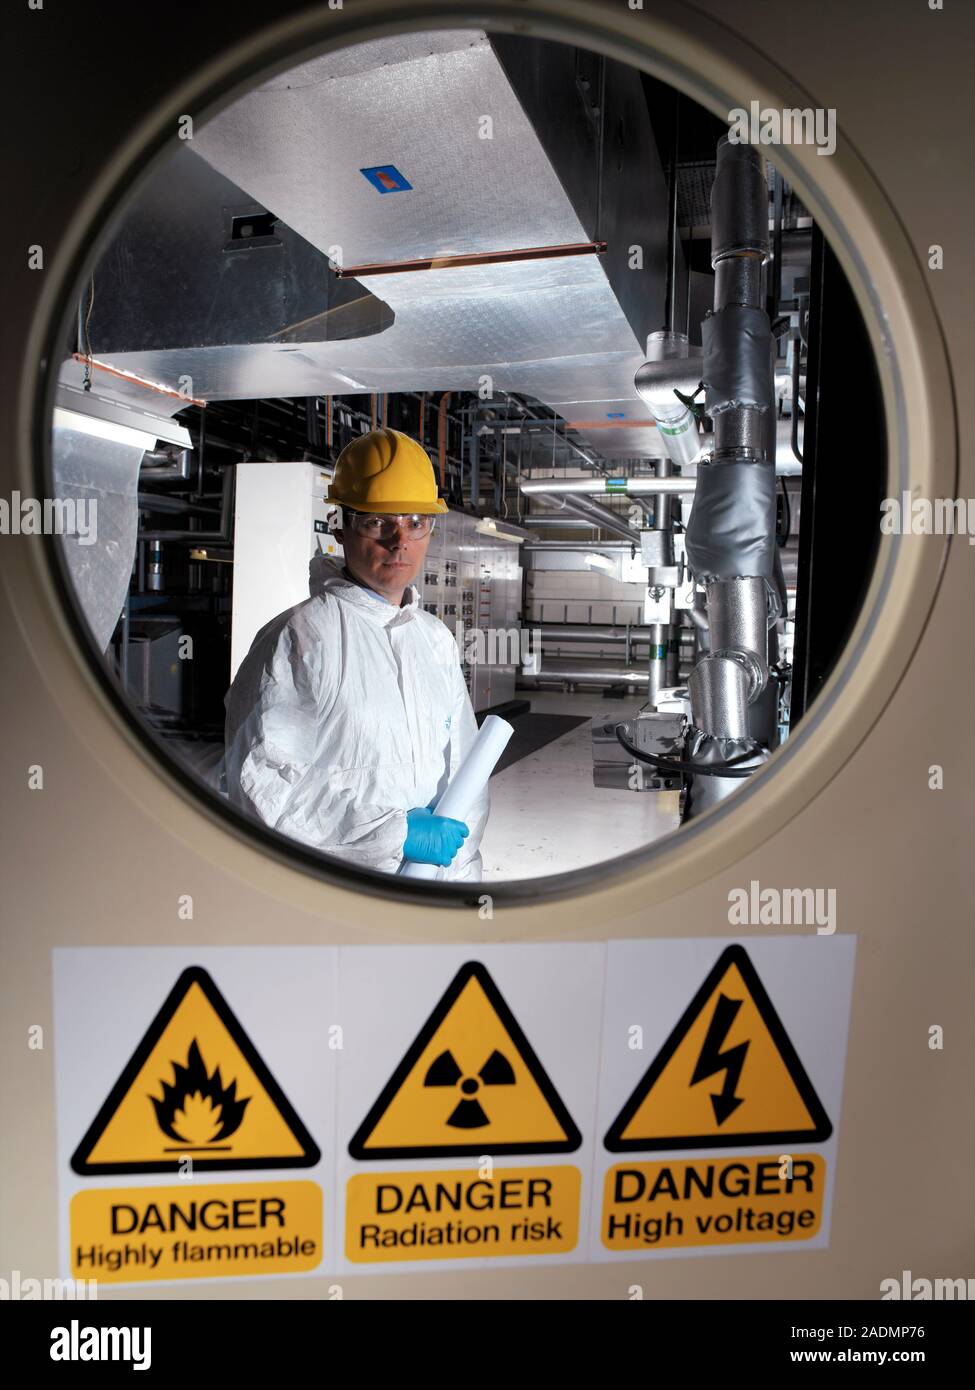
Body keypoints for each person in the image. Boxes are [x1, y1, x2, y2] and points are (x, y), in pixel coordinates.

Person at [224, 427, 487, 879]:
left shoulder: (434, 640)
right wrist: (391, 835)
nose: (399, 540)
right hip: (333, 893)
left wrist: (457, 879)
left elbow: (465, 774)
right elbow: (261, 788)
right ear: (341, 528)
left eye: (415, 521)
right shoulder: (300, 638)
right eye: (377, 521)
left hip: (430, 893)